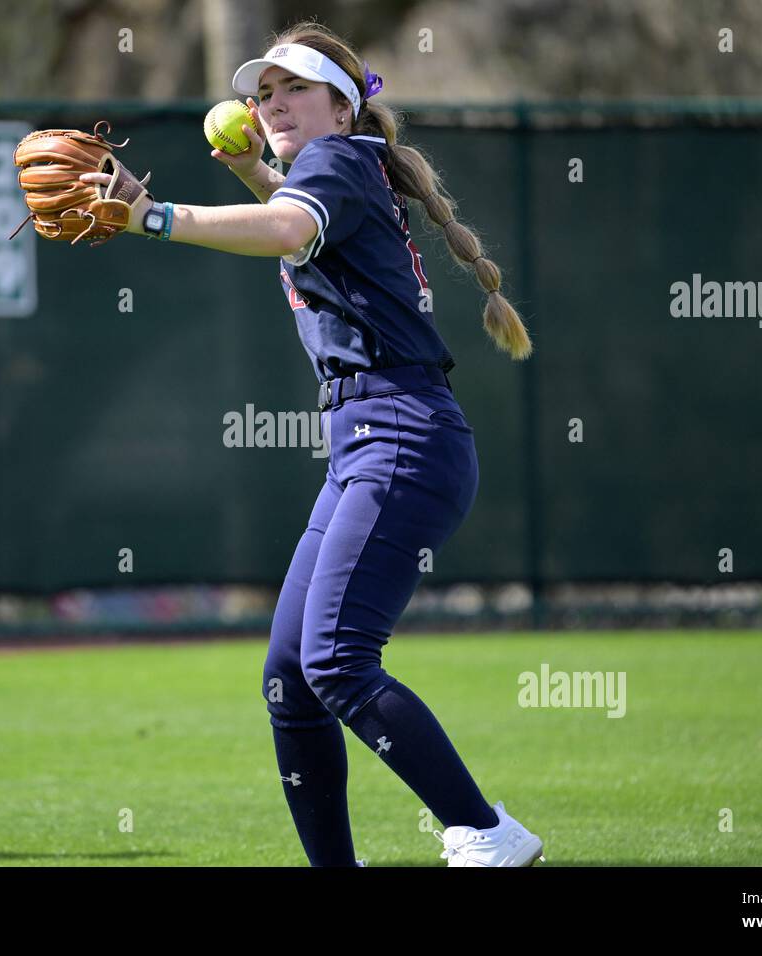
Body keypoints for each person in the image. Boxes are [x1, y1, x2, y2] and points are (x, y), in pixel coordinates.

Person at [81, 20, 540, 867]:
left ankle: (485, 830)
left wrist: (152, 216)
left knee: (335, 661)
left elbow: (289, 234)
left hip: (399, 436)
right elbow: (299, 229)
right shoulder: (339, 171)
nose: (274, 102)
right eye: (263, 92)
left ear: (340, 104)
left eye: (294, 87)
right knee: (291, 679)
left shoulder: (335, 163)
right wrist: (254, 171)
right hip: (378, 442)